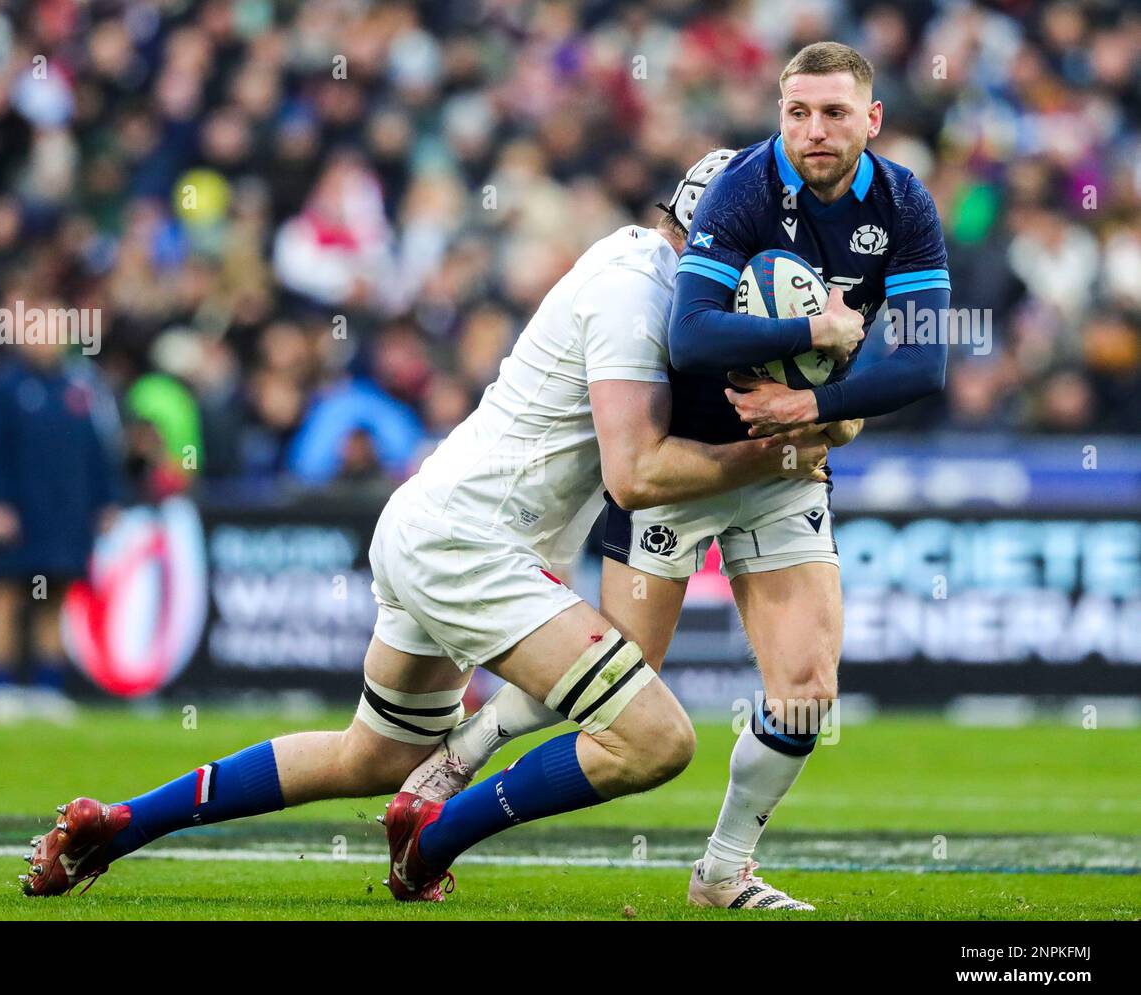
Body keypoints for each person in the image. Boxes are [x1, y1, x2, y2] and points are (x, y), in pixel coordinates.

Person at [20, 151, 835, 898]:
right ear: (703, 229)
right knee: (655, 738)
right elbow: (636, 475)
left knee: (370, 756)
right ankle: (437, 834)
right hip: (473, 545)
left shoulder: (647, 274)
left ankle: (120, 823)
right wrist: (784, 451)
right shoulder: (639, 290)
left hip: (444, 523)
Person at [403, 41, 951, 911]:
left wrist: (811, 412)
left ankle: (722, 871)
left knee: (807, 689)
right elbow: (691, 338)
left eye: (835, 113)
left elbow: (926, 366)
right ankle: (456, 776)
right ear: (779, 114)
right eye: (798, 111)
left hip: (782, 465)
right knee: (622, 683)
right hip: (686, 464)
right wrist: (816, 340)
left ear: (871, 120)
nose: (814, 130)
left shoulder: (903, 202)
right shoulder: (739, 189)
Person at [0, 326, 121, 724]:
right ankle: (0, 686)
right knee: (6, 593)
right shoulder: (4, 385)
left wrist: (106, 501)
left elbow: (98, 448)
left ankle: (47, 687)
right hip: (22, 510)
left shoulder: (80, 384)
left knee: (55, 597)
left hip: (67, 512)